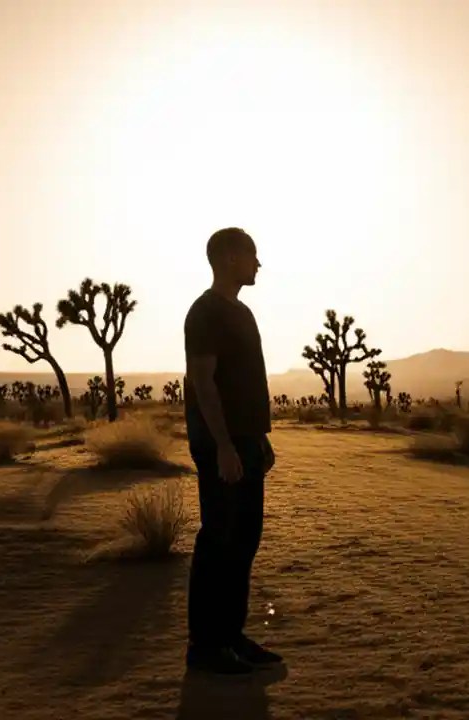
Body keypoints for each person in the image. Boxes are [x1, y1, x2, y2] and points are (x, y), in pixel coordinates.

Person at [183, 227, 282, 675]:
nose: (258, 264)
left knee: (245, 540)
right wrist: (223, 445)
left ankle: (231, 636)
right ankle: (206, 647)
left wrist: (258, 438)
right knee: (219, 540)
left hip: (245, 442)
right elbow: (202, 382)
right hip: (220, 445)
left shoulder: (242, 313)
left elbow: (246, 383)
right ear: (227, 258)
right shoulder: (204, 313)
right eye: (251, 255)